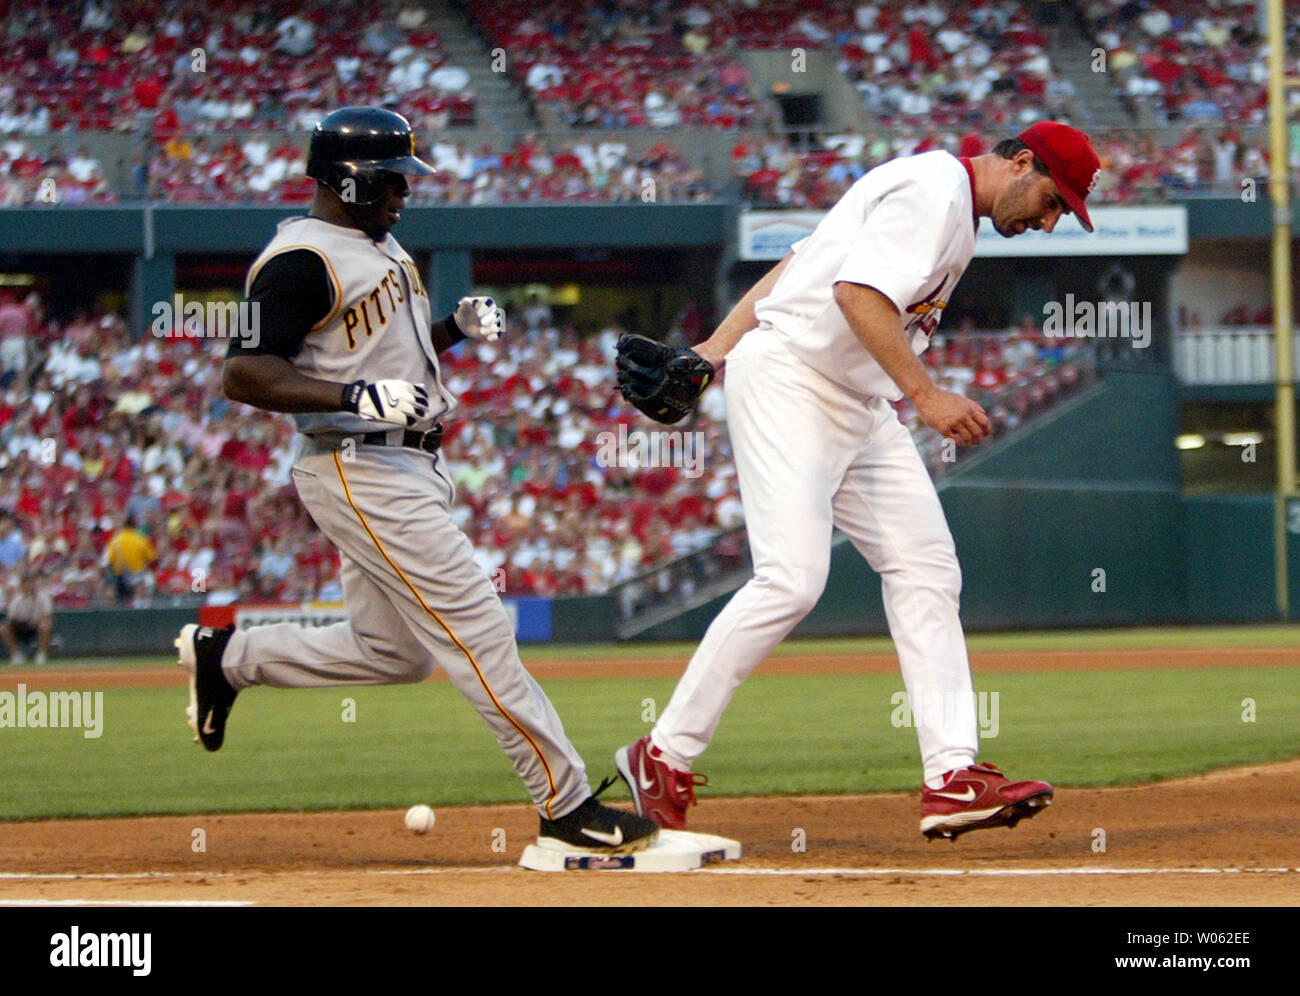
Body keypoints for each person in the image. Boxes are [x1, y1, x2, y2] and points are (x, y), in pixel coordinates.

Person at [185, 106, 657, 856]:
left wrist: (451, 334)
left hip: (404, 460)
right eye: (393, 178)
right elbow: (243, 370)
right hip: (362, 464)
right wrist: (350, 400)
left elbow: (371, 358)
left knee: (393, 654)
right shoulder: (299, 260)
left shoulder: (375, 243)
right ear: (348, 178)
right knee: (479, 627)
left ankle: (229, 658)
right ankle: (565, 804)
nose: (405, 192)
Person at [615, 121, 1101, 840]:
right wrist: (929, 396)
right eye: (1055, 200)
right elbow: (854, 295)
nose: (1051, 221)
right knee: (792, 579)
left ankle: (952, 775)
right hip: (793, 381)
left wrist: (715, 348)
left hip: (857, 400)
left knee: (927, 567)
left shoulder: (952, 211)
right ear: (1022, 162)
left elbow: (802, 262)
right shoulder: (935, 193)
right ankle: (662, 755)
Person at [1, 573, 53, 664]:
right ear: (22, 585)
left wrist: (36, 621)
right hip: (21, 628)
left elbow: (47, 615)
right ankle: (16, 655)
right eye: (26, 583)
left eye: (31, 583)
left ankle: (42, 654)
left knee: (45, 625)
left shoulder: (44, 596)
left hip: (37, 627)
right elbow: (11, 618)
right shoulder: (17, 599)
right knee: (3, 628)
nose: (29, 586)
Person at [104, 517, 157, 603]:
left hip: (121, 579)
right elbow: (152, 559)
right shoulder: (141, 539)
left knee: (122, 603)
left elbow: (110, 560)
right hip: (139, 579)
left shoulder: (115, 540)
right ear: (134, 526)